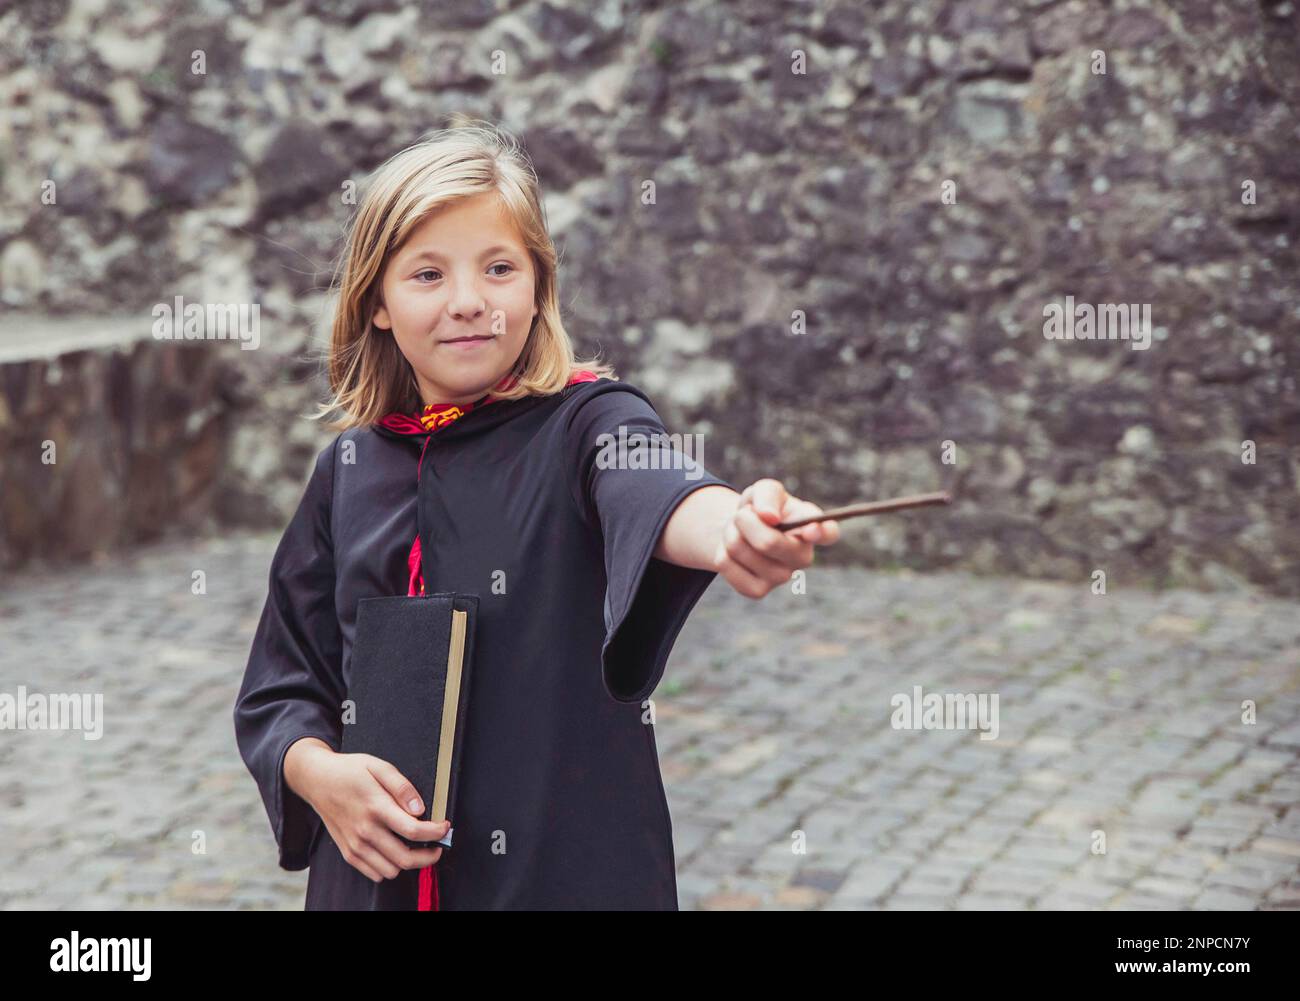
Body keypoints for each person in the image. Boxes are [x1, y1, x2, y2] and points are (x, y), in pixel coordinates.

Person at [232, 121, 840, 910]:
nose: (468, 302)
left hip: (559, 875)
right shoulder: (347, 473)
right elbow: (280, 687)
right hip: (370, 884)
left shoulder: (587, 424)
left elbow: (653, 484)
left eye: (498, 267)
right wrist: (320, 774)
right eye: (426, 274)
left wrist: (732, 525)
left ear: (537, 285)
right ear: (375, 302)